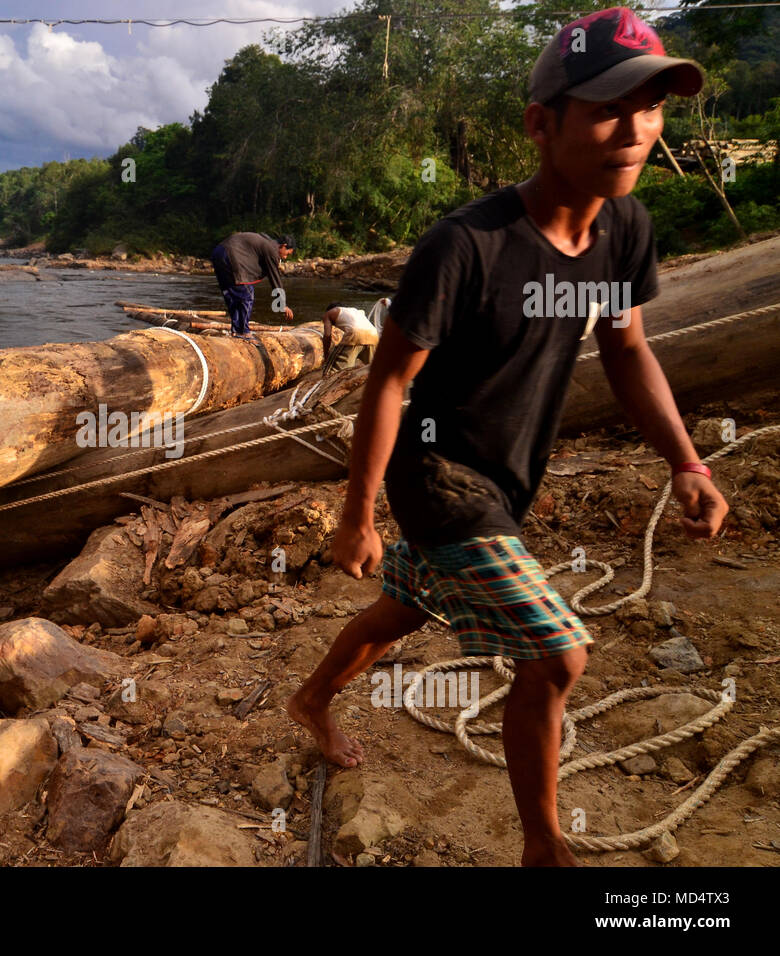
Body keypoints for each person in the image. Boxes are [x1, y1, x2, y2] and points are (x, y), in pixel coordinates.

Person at [286, 6, 728, 867]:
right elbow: (389, 379)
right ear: (541, 123)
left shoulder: (623, 227)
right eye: (608, 109)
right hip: (436, 472)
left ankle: (310, 701)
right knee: (560, 657)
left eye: (653, 107)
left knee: (409, 604)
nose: (635, 131)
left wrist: (687, 460)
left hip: (508, 475)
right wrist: (359, 515)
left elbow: (628, 347)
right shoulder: (466, 245)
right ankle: (543, 847)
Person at [210, 232, 295, 339]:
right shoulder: (272, 250)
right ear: (284, 246)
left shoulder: (268, 242)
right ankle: (243, 332)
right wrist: (282, 304)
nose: (285, 257)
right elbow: (275, 278)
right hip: (231, 255)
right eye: (287, 254)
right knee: (247, 295)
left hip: (218, 252)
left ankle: (236, 331)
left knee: (233, 297)